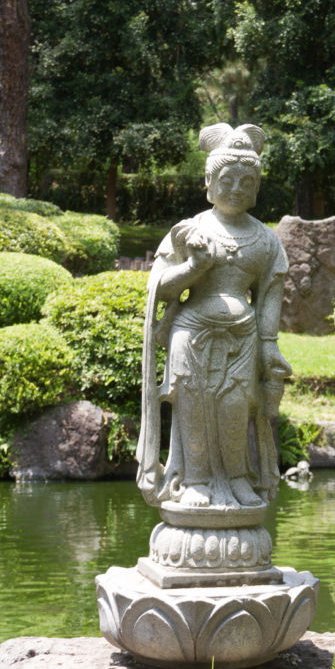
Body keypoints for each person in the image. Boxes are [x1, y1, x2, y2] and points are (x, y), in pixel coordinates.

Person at [137, 123, 292, 511]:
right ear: (208, 182)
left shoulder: (266, 240)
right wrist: (194, 267)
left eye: (246, 182)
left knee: (236, 408)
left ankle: (237, 477)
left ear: (257, 188)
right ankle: (196, 480)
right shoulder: (190, 231)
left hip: (244, 338)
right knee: (193, 408)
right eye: (227, 180)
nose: (236, 188)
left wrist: (270, 347)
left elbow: (269, 298)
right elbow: (161, 288)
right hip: (191, 335)